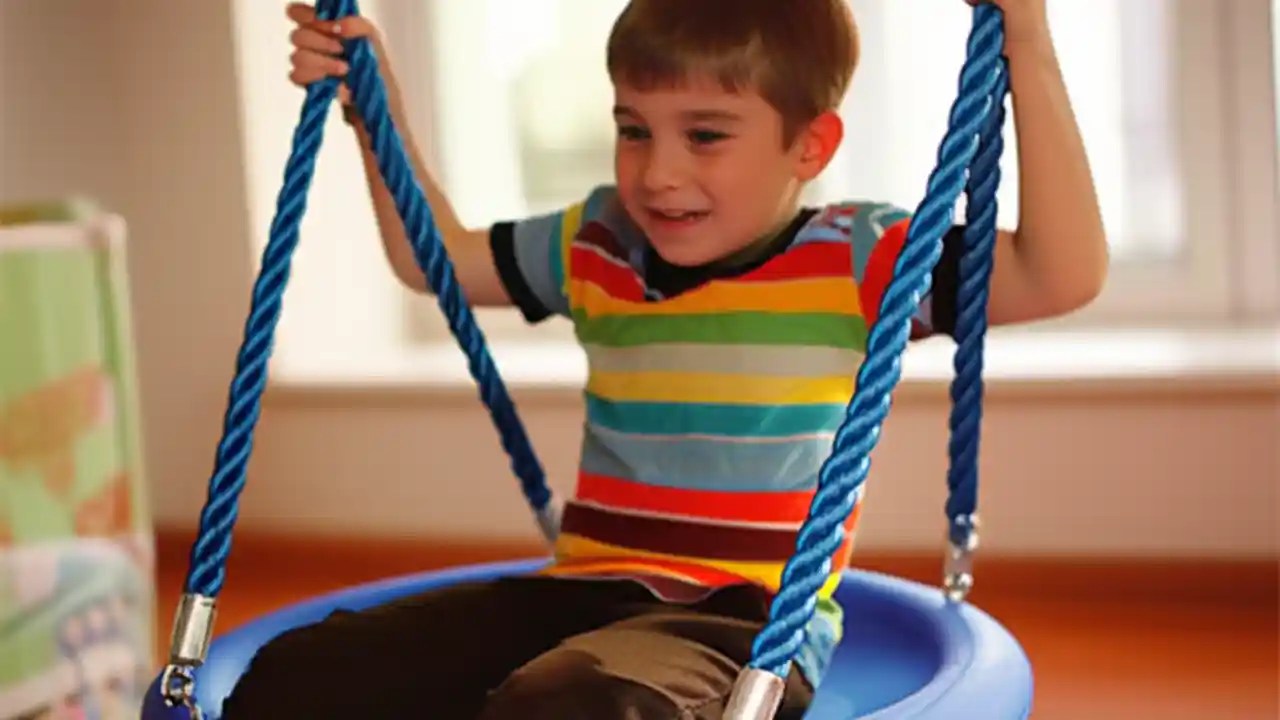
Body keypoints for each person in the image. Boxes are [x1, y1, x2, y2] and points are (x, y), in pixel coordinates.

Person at [222, 0, 1108, 717]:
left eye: (706, 135)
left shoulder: (859, 258)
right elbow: (434, 260)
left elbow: (1056, 274)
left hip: (742, 627)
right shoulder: (600, 240)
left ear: (811, 145)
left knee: (569, 705)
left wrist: (1023, 40)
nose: (657, 173)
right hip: (576, 598)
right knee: (305, 673)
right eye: (634, 128)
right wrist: (374, 109)